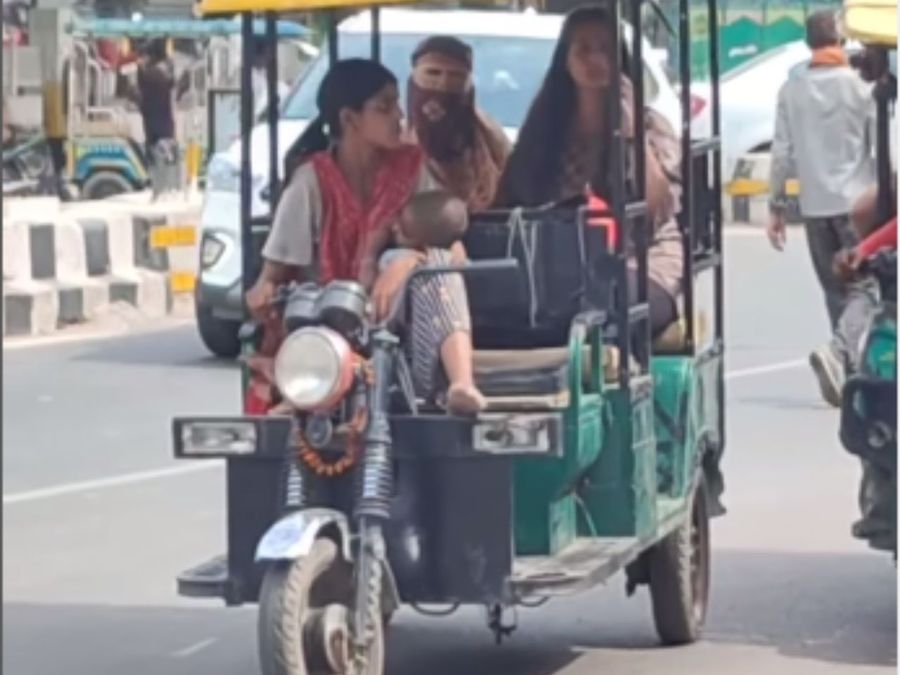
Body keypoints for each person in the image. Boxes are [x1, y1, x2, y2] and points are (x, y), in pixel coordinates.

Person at [247, 59, 484, 415]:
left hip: (404, 343)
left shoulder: (412, 167)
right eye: (384, 107)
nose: (399, 116)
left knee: (435, 263)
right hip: (326, 344)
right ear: (350, 119)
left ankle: (462, 383)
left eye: (397, 105)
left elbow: (454, 247)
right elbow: (269, 279)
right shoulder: (311, 183)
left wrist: (409, 261)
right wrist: (263, 294)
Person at [495, 6, 684, 338]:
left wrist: (632, 137)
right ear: (566, 60)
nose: (594, 58)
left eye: (605, 49)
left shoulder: (651, 126)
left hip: (641, 262)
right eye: (584, 48)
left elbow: (657, 209)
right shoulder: (544, 131)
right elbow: (512, 201)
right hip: (556, 267)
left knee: (608, 302)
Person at [767, 10, 878, 407]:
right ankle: (840, 353)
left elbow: (782, 154)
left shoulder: (790, 91)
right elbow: (882, 149)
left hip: (814, 207)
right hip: (858, 207)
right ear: (843, 41)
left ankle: (843, 374)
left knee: (836, 290)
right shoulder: (861, 89)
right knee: (866, 288)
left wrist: (776, 206)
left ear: (808, 44)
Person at [405, 36, 511, 211]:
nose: (443, 83)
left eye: (456, 75)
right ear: (415, 76)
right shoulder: (395, 139)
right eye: (433, 73)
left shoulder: (490, 137)